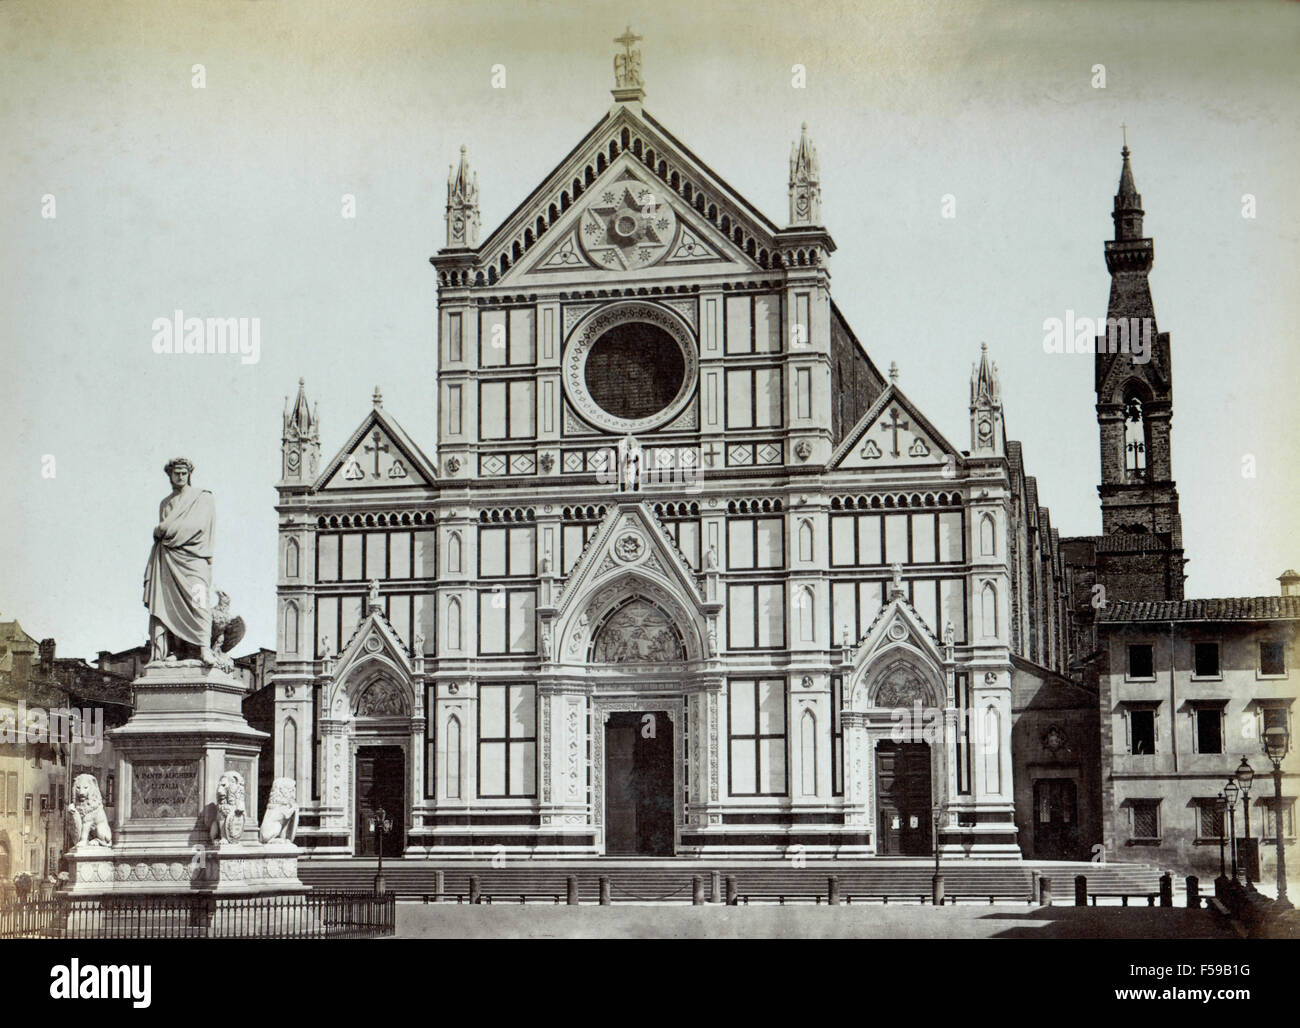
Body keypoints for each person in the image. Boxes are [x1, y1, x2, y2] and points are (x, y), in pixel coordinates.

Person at [143, 457, 219, 666]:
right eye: (176, 473)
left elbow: (198, 526)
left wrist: (162, 529)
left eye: (184, 473)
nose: (180, 476)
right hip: (169, 559)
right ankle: (178, 649)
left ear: (189, 474)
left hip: (194, 558)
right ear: (169, 475)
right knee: (170, 605)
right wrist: (165, 530)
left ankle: (204, 648)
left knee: (199, 601)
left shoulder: (202, 498)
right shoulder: (165, 503)